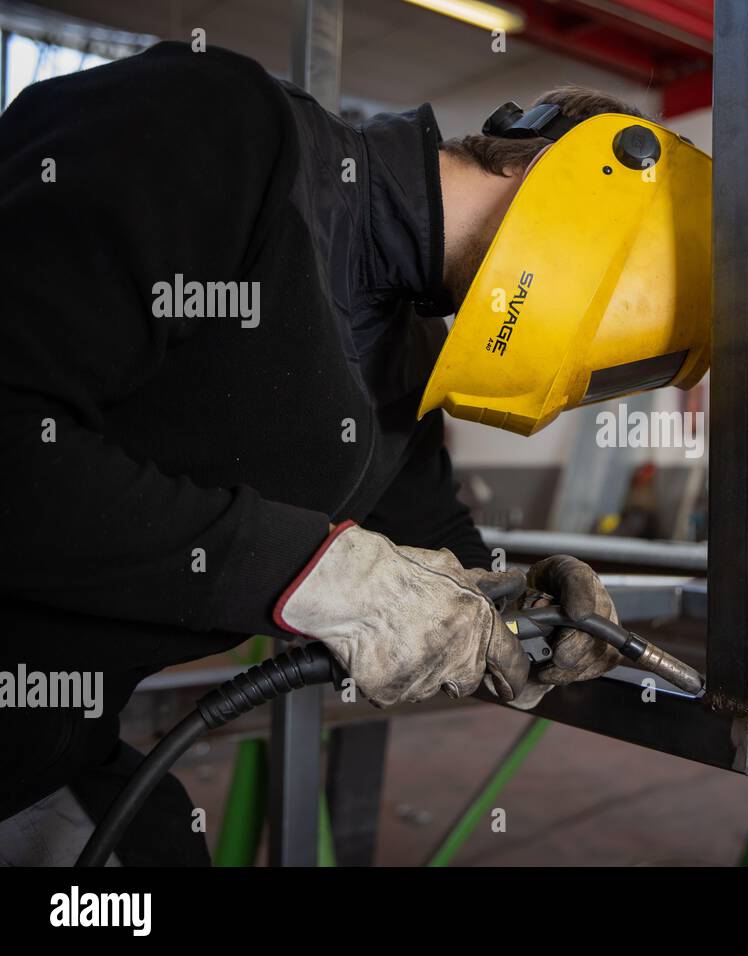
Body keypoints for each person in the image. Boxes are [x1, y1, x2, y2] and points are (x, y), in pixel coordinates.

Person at [0, 40, 710, 865]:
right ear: (572, 186)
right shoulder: (211, 124)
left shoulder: (399, 350)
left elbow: (428, 529)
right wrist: (309, 572)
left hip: (38, 752)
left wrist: (522, 604)